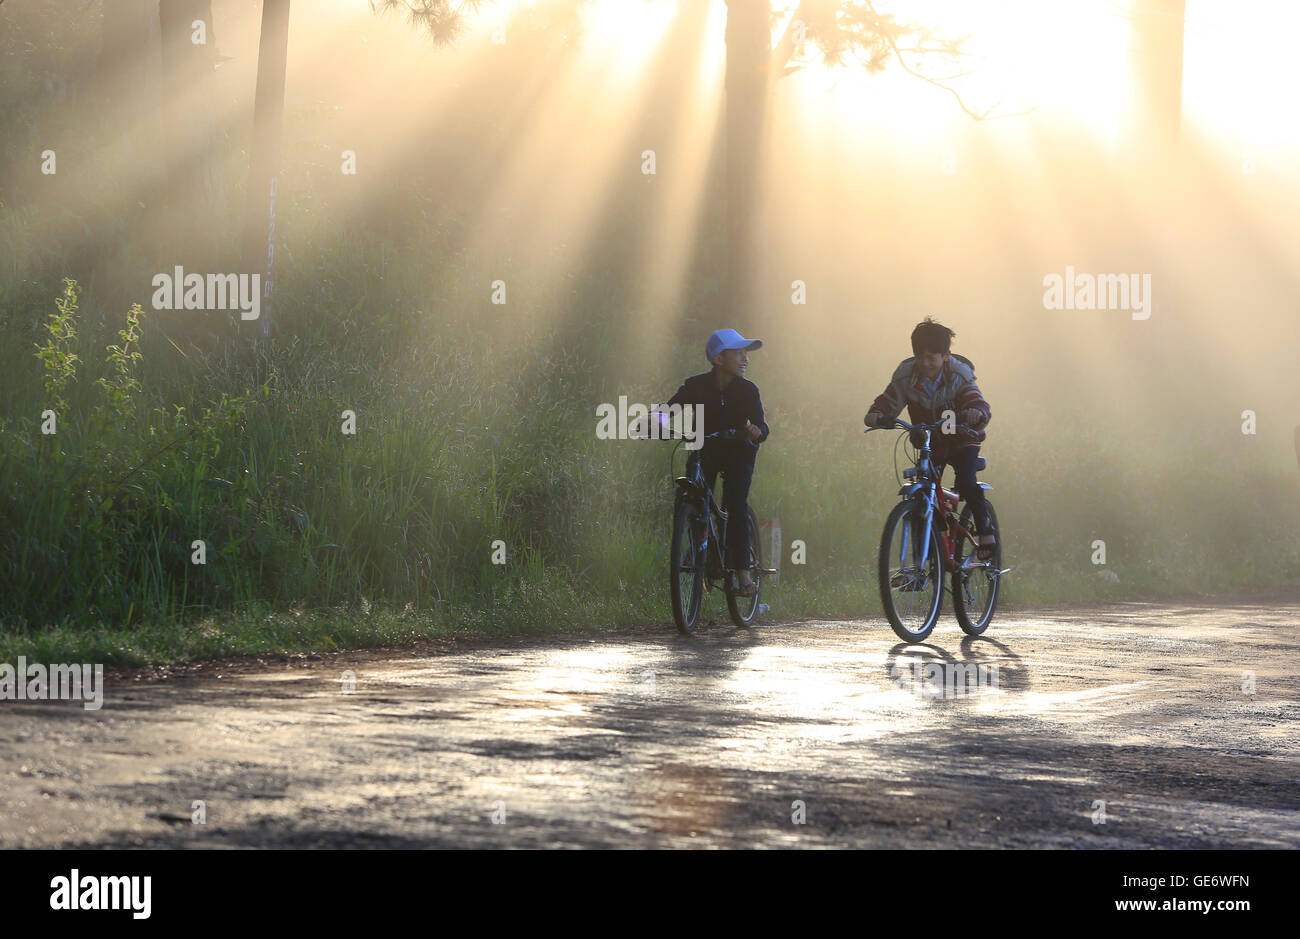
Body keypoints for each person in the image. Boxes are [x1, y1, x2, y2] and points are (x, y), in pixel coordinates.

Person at [864, 317, 996, 559]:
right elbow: (889, 400)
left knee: (966, 482)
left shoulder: (959, 375)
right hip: (929, 441)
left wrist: (976, 414)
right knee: (923, 494)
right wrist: (877, 414)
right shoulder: (905, 377)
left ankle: (985, 530)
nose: (925, 363)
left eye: (931, 358)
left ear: (946, 355)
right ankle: (921, 560)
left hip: (962, 438)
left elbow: (977, 401)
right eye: (919, 357)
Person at [664, 329, 769, 596]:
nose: (746, 358)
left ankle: (744, 574)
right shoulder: (695, 386)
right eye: (739, 353)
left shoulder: (748, 390)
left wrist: (757, 431)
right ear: (718, 359)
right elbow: (670, 408)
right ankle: (699, 549)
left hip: (739, 452)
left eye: (746, 353)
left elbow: (761, 425)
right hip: (705, 449)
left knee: (734, 504)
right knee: (693, 495)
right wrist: (653, 421)